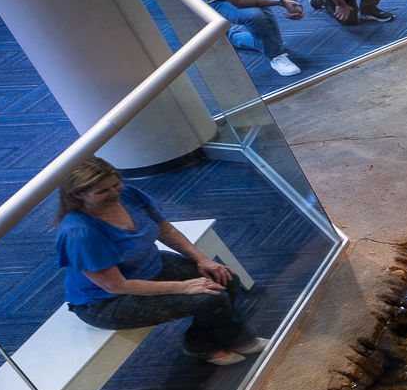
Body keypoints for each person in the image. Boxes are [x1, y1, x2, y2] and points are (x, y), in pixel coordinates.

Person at [55, 157, 264, 366]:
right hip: (107, 301)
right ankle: (239, 341)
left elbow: (166, 230)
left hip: (151, 266)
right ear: (77, 194)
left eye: (115, 184)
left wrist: (202, 260)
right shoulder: (80, 233)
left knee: (226, 277)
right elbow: (116, 286)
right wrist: (184, 286)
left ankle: (202, 345)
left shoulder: (128, 194)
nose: (114, 194)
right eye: (102, 192)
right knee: (210, 298)